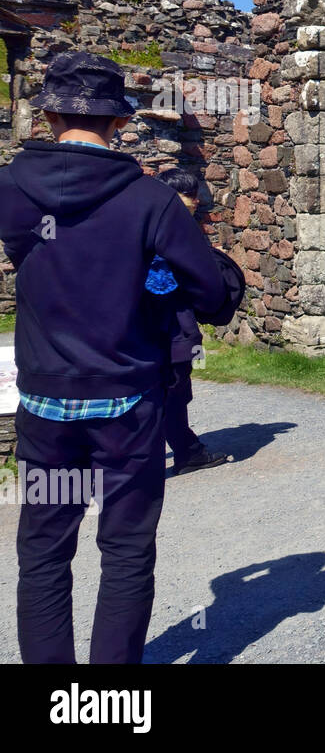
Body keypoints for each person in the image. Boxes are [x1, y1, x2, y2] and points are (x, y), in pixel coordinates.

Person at [0, 52, 227, 663]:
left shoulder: (11, 188)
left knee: (44, 550)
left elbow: (32, 251)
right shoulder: (149, 200)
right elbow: (212, 294)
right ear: (119, 122)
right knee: (125, 548)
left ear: (46, 111)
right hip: (128, 395)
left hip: (45, 397)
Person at [150, 168, 232, 476]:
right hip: (168, 325)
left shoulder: (158, 225)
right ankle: (182, 453)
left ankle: (182, 452)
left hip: (165, 326)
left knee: (173, 390)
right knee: (170, 391)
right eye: (188, 194)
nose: (196, 200)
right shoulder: (172, 231)